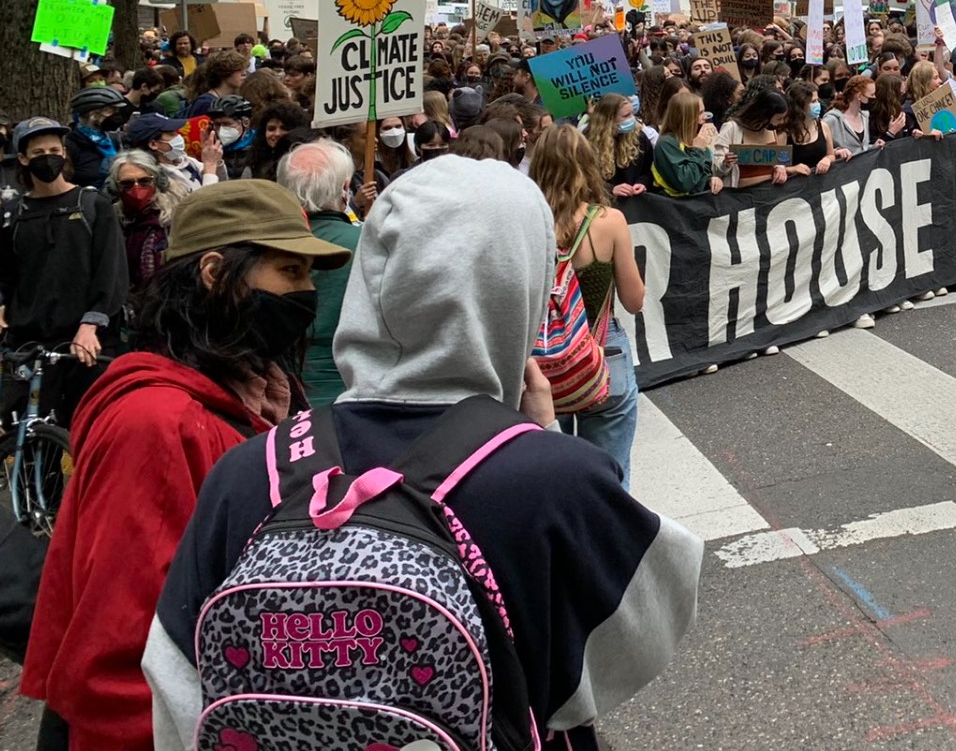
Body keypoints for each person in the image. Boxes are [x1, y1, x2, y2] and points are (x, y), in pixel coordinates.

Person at [144, 157, 701, 750]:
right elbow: (636, 641)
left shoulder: (249, 469)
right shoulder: (557, 479)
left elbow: (176, 687)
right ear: (519, 286)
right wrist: (540, 438)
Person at [22, 180, 351, 750]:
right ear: (215, 273)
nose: (306, 293)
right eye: (290, 272)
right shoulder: (156, 421)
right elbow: (123, 655)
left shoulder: (266, 393)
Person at [530, 125, 648, 482]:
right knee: (610, 477)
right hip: (603, 353)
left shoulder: (527, 223)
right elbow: (634, 301)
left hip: (543, 365)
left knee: (556, 477)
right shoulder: (608, 221)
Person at [0, 118, 128, 417]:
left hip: (86, 342)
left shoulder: (92, 204)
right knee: (22, 431)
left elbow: (111, 272)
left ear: (65, 153)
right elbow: (3, 273)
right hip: (28, 342)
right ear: (24, 159)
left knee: (85, 427)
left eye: (54, 149)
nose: (48, 158)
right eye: (38, 153)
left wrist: (91, 323)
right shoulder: (11, 214)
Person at [275, 139, 363, 408]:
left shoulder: (258, 249)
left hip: (278, 396)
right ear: (346, 189)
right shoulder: (370, 243)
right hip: (349, 392)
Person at [108, 150, 182, 291]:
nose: (137, 188)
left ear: (157, 181)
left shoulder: (174, 216)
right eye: (127, 183)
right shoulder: (112, 220)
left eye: (145, 181)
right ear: (116, 187)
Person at [652, 90, 724, 196]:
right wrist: (698, 151)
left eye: (704, 111)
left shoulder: (695, 138)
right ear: (686, 116)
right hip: (675, 206)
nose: (705, 116)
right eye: (700, 113)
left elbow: (703, 173)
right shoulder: (666, 144)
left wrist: (711, 180)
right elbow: (685, 182)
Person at [719, 87, 793, 187]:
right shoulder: (731, 128)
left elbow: (778, 160)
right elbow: (716, 165)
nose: (782, 122)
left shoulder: (773, 130)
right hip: (741, 196)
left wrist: (780, 167)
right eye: (779, 118)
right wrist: (725, 163)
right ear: (765, 115)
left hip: (770, 194)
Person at [586, 92, 652, 198]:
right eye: (626, 116)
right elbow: (584, 178)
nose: (632, 119)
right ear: (608, 119)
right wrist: (610, 189)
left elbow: (649, 168)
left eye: (632, 114)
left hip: (637, 200)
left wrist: (643, 183)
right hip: (606, 202)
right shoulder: (588, 143)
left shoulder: (638, 137)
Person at [182, 51, 247, 118]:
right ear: (224, 72)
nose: (244, 74)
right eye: (239, 70)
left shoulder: (233, 99)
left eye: (244, 69)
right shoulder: (206, 103)